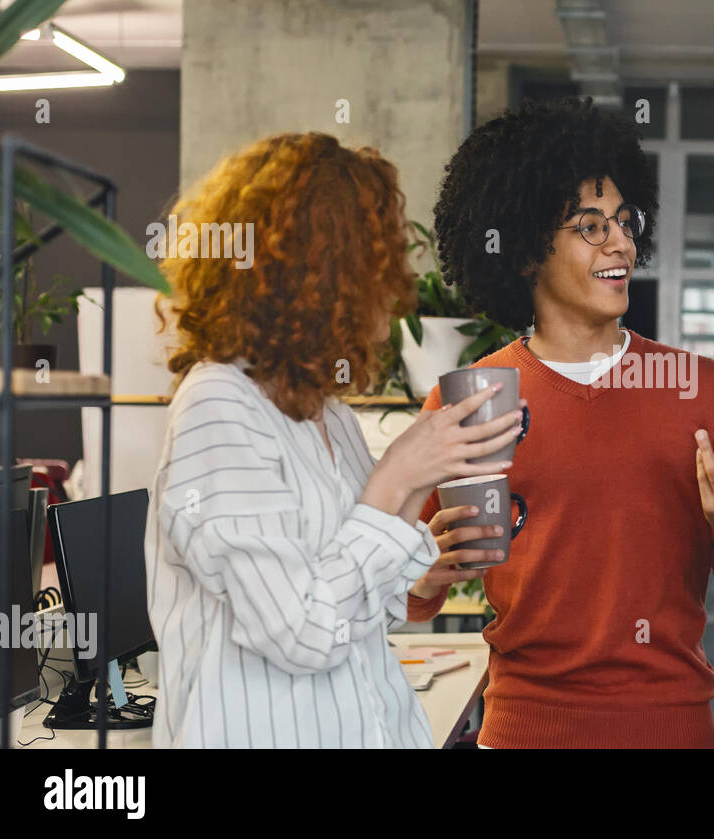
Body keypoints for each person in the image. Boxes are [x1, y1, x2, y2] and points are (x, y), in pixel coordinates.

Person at [405, 97, 714, 748]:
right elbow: (408, 598)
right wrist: (425, 574)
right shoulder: (465, 402)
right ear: (527, 249)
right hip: (521, 731)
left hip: (672, 730)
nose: (620, 242)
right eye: (590, 226)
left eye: (625, 219)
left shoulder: (702, 391)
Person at [145, 132, 524, 747]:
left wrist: (423, 553)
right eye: (374, 269)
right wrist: (398, 476)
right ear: (320, 279)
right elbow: (303, 632)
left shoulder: (326, 412)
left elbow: (360, 597)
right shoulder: (219, 408)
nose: (392, 292)